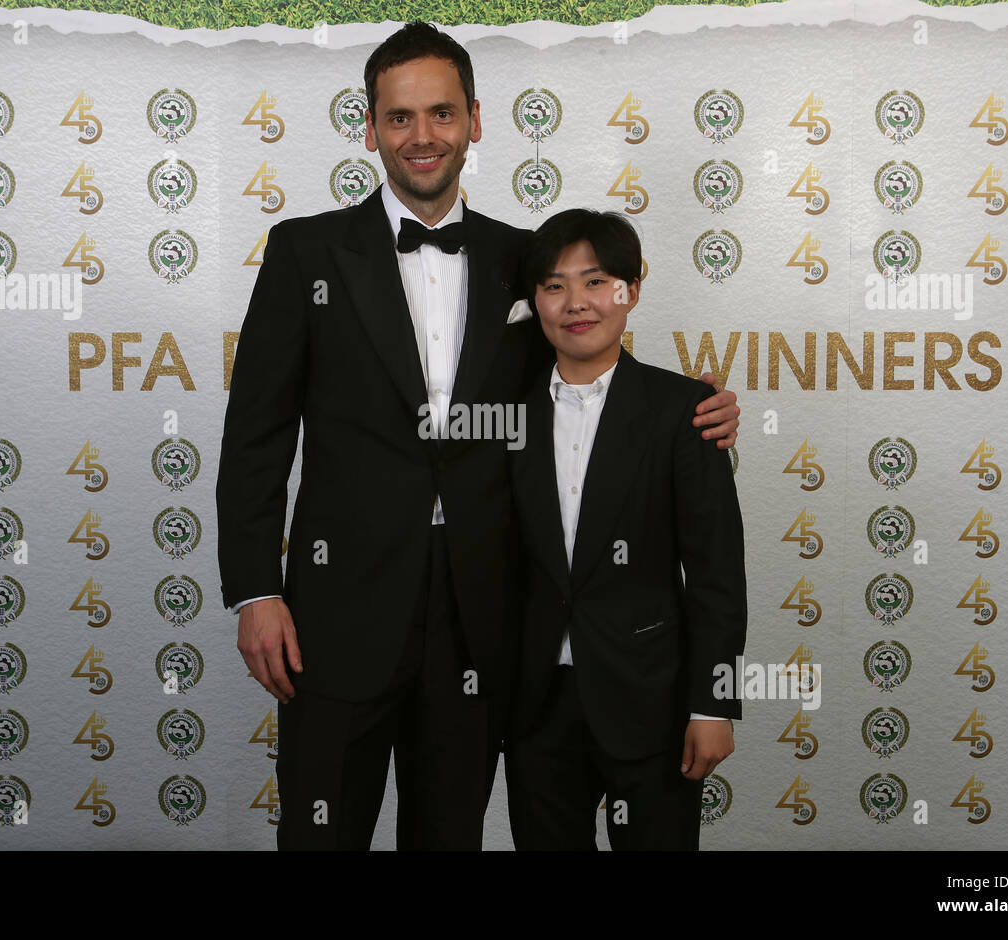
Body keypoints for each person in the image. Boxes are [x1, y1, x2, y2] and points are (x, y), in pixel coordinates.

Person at [215, 21, 740, 851]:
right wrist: (255, 591)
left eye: (442, 114)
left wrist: (691, 408)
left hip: (482, 617)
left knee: (449, 836)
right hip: (336, 613)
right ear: (370, 129)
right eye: (400, 117)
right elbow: (255, 436)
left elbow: (582, 366)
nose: (422, 136)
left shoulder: (518, 259)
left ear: (475, 121)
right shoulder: (304, 252)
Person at [504, 208, 747, 850]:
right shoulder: (505, 416)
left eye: (596, 281)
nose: (576, 303)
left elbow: (716, 572)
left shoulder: (684, 411)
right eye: (554, 285)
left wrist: (712, 704)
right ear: (535, 300)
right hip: (535, 706)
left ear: (630, 291)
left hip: (653, 702)